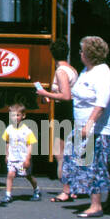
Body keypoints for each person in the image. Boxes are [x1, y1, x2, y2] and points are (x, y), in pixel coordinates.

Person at [58, 35, 110, 218]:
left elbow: (102, 102)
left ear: (90, 54)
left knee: (94, 164)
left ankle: (96, 205)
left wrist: (89, 125)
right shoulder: (87, 70)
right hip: (83, 125)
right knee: (76, 158)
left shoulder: (102, 72)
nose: (79, 53)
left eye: (82, 50)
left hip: (97, 127)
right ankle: (104, 192)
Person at [34, 37, 78, 200]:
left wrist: (45, 93)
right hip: (69, 110)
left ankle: (66, 190)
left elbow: (66, 96)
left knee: (60, 154)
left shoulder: (60, 71)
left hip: (63, 111)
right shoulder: (72, 69)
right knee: (67, 152)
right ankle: (72, 188)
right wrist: (51, 96)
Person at [0, 103, 40, 204]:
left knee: (28, 176)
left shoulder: (27, 130)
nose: (15, 117)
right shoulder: (9, 129)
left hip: (23, 158)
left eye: (17, 115)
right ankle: (8, 195)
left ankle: (36, 189)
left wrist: (27, 159)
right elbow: (8, 142)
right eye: (13, 115)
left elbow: (30, 145)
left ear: (23, 116)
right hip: (13, 158)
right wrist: (7, 155)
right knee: (10, 174)